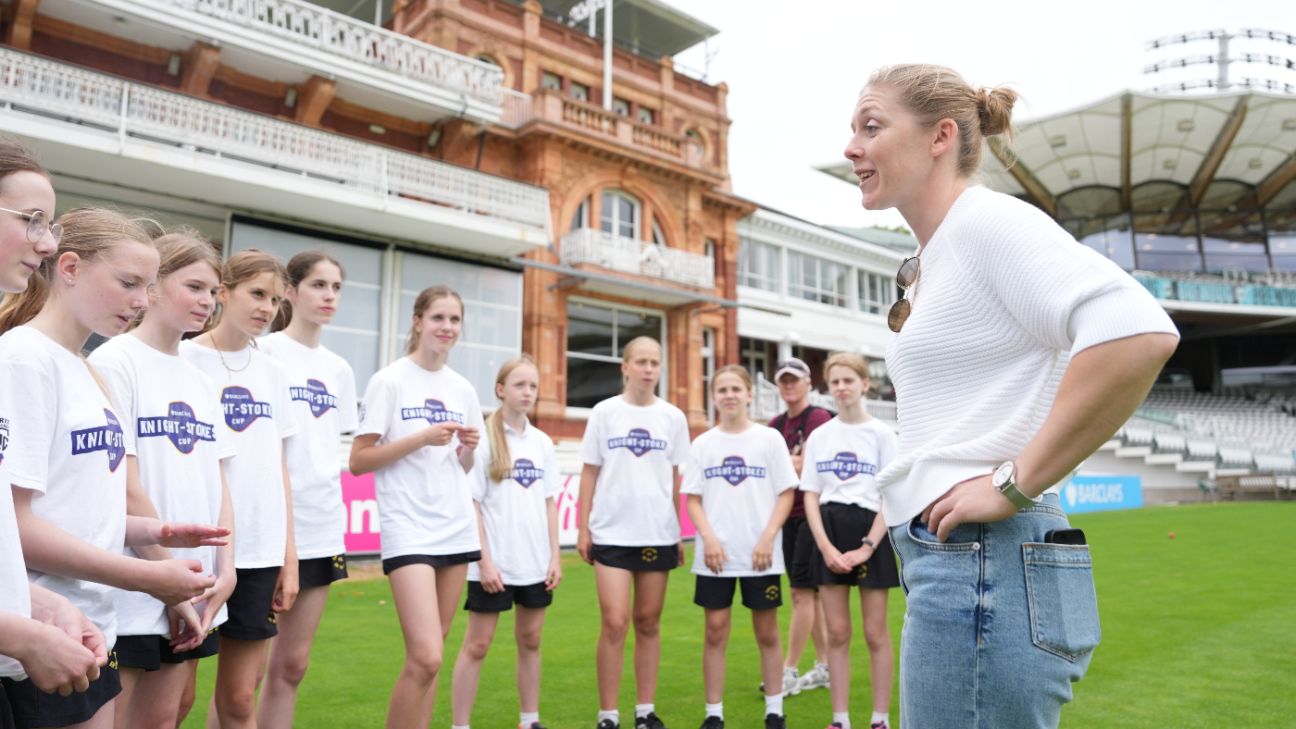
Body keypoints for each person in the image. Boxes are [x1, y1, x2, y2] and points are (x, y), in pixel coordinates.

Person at [845, 64, 1179, 728]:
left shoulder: (982, 226)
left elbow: (1139, 331)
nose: (852, 146)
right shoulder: (943, 252)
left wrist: (1012, 482)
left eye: (871, 126)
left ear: (941, 136)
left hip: (982, 562)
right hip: (969, 566)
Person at [0, 207, 224, 729]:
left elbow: (79, 510)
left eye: (148, 286)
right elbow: (15, 528)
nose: (142, 301)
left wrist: (156, 530)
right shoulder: (22, 360)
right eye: (129, 283)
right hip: (38, 637)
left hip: (95, 626)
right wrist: (146, 575)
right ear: (70, 267)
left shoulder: (85, 368)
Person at [88, 229, 236, 729]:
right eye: (195, 287)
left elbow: (220, 483)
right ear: (153, 286)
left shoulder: (200, 376)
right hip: (137, 585)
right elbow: (124, 484)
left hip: (193, 586)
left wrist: (226, 570)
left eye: (214, 292)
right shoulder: (114, 360)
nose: (208, 302)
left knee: (167, 718)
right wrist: (169, 582)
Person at [0, 140, 108, 729]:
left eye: (52, 225)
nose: (47, 243)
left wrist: (41, 605)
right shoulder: (19, 359)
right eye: (32, 221)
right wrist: (22, 631)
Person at [349, 285, 483, 729]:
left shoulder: (462, 388)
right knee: (425, 657)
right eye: (439, 318)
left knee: (435, 654)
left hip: (455, 526)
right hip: (408, 527)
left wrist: (467, 449)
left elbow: (459, 469)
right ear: (418, 321)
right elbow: (359, 461)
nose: (447, 328)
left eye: (455, 320)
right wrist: (421, 437)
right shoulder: (389, 380)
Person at [180, 249, 298, 729]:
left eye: (273, 298)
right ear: (222, 293)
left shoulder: (273, 372)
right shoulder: (184, 358)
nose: (266, 308)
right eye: (256, 294)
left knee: (239, 700)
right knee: (178, 698)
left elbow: (279, 466)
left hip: (259, 552)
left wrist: (288, 558)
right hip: (198, 551)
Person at [257, 251, 358, 729]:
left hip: (321, 528)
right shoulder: (264, 352)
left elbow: (327, 448)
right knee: (246, 674)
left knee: (293, 666)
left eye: (336, 287)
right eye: (319, 285)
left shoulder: (338, 368)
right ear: (291, 292)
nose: (329, 296)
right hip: (268, 529)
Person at [576, 336, 690, 729]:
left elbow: (678, 478)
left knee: (648, 621)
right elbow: (589, 471)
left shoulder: (673, 417)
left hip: (657, 533)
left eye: (654, 362)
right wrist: (582, 527)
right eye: (640, 361)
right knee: (614, 622)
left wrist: (677, 532)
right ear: (624, 367)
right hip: (610, 533)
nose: (648, 369)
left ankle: (645, 711)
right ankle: (608, 715)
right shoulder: (604, 413)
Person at [449, 355, 562, 729]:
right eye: (519, 385)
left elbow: (549, 503)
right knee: (477, 646)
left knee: (530, 640)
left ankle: (529, 721)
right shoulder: (482, 440)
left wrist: (555, 557)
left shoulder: (543, 442)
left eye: (532, 385)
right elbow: (473, 505)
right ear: (501, 390)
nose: (527, 392)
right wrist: (484, 562)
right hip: (494, 564)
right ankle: (460, 725)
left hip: (534, 564)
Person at [682, 364, 796, 729]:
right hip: (715, 557)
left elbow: (786, 493)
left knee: (767, 631)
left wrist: (767, 538)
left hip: (760, 555)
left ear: (748, 394)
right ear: (713, 397)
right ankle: (713, 714)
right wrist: (709, 540)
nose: (729, 395)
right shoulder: (703, 443)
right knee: (715, 630)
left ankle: (774, 710)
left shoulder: (769, 439)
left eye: (736, 388)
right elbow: (693, 499)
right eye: (722, 390)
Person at [800, 354, 898, 729]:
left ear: (864, 384)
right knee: (837, 632)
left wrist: (868, 546)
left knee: (875, 633)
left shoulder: (883, 435)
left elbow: (892, 497)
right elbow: (810, 493)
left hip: (870, 532)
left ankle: (880, 719)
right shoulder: (820, 435)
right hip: (828, 532)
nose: (841, 388)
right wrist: (825, 548)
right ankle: (840, 720)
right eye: (835, 382)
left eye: (848, 380)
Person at [767, 357, 834, 697]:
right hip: (786, 514)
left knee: (801, 593)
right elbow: (770, 469)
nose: (789, 385)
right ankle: (824, 667)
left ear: (808, 383)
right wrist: (790, 463)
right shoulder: (776, 423)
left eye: (795, 379)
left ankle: (788, 670)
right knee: (812, 595)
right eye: (784, 380)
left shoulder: (818, 418)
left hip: (811, 513)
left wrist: (790, 463)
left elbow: (809, 465)